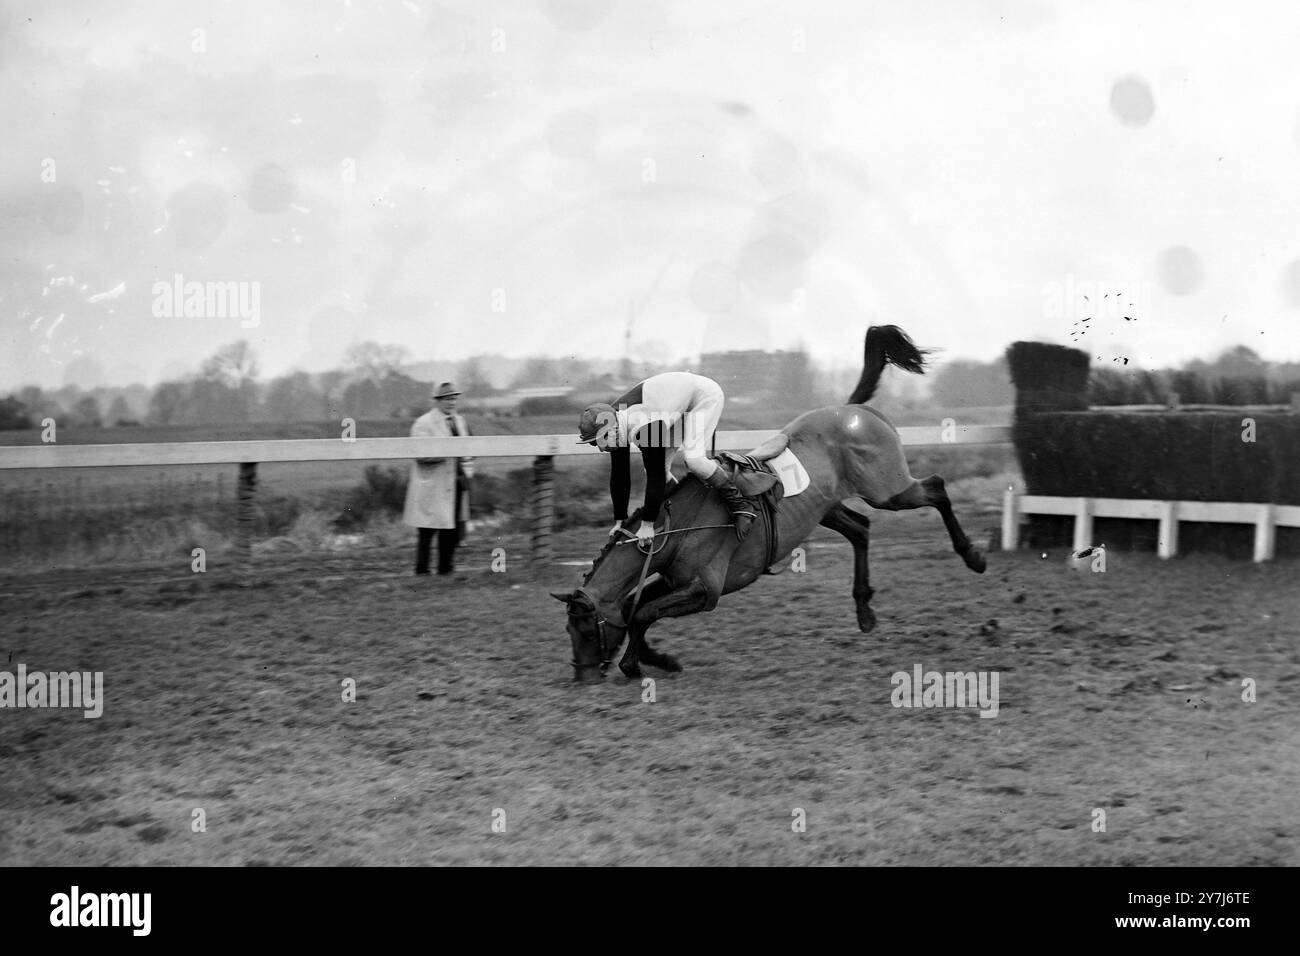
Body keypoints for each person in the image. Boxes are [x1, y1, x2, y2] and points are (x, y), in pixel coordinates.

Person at [576, 371, 755, 543]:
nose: (599, 449)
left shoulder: (645, 427)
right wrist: (620, 521)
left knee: (694, 461)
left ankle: (742, 505)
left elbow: (656, 477)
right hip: (671, 403)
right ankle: (685, 510)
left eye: (597, 442)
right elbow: (620, 476)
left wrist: (647, 525)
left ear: (609, 430)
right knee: (656, 469)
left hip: (703, 396)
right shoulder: (615, 420)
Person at [404, 382, 474, 575]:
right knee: (427, 530)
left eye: (454, 398)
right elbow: (421, 454)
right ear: (437, 401)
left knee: (450, 530)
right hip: (432, 484)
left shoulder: (460, 421)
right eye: (446, 399)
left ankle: (446, 569)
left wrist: (467, 467)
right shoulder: (423, 423)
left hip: (455, 482)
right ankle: (422, 571)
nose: (451, 402)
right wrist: (448, 452)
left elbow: (471, 447)